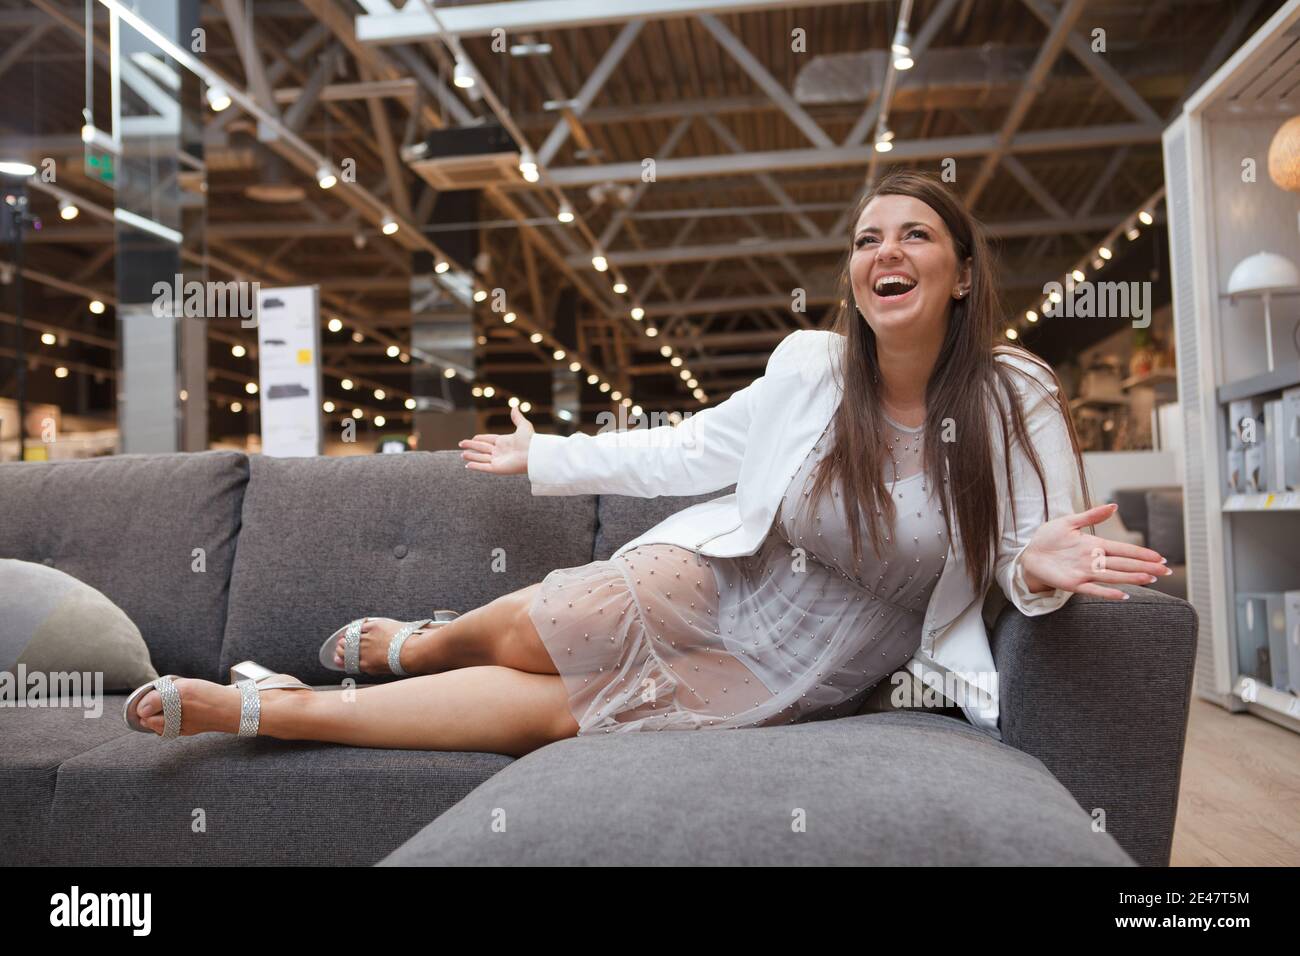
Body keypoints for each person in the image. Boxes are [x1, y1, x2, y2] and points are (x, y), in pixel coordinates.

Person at [125, 170, 1170, 754]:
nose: (884, 252)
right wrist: (552, 452)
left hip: (829, 647)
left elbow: (1029, 545)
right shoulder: (809, 365)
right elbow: (691, 446)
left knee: (567, 711)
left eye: (913, 236)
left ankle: (276, 707)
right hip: (730, 572)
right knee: (555, 625)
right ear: (851, 273)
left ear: (960, 272)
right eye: (865, 239)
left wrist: (1035, 568)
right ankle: (420, 644)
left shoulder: (1010, 391)